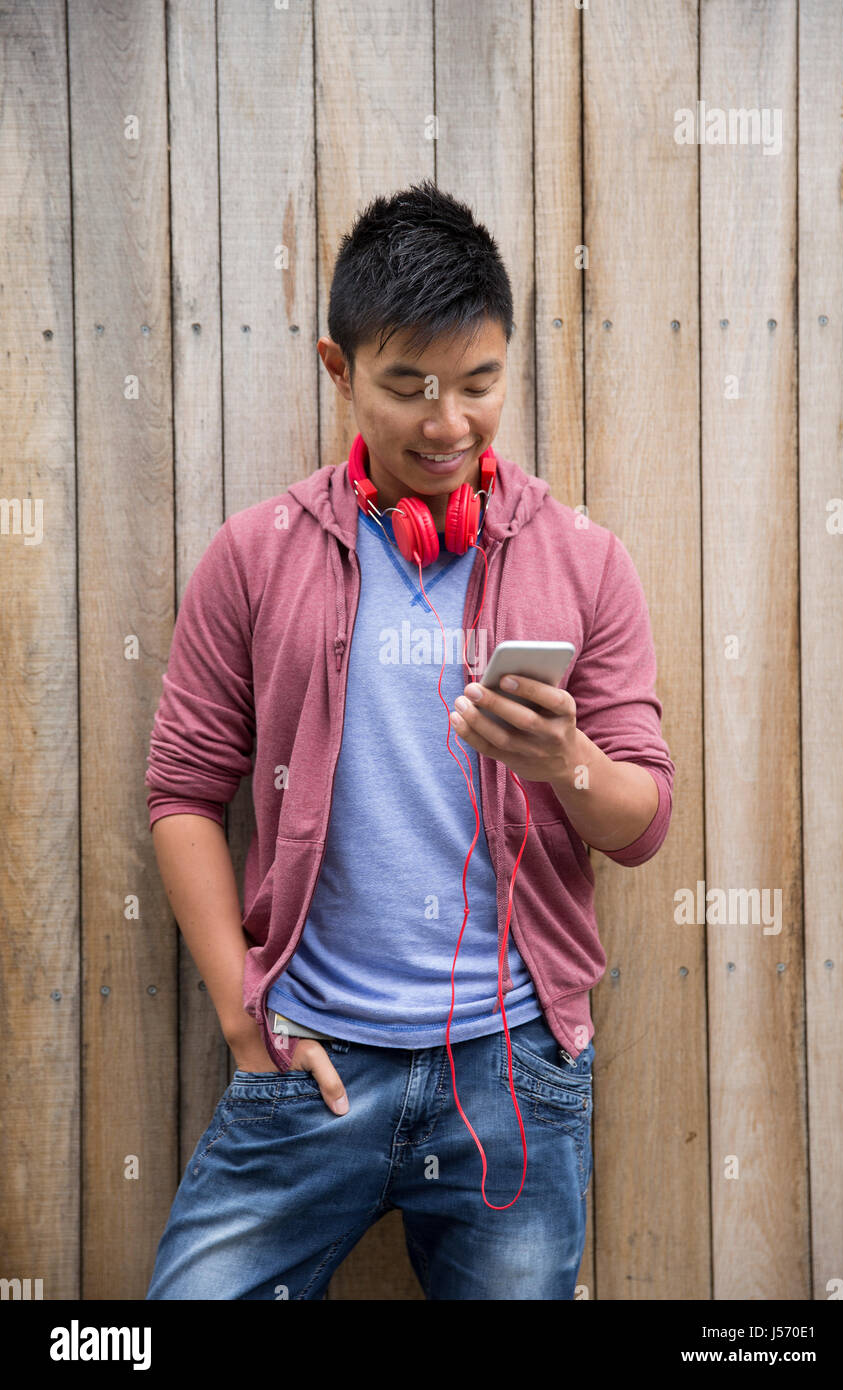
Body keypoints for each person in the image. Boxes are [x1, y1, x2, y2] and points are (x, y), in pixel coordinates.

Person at [144, 179, 674, 1301]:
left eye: (479, 385)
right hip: (306, 1066)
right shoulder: (252, 556)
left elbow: (640, 822)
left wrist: (562, 761)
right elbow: (183, 792)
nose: (447, 424)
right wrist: (246, 1020)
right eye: (408, 388)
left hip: (512, 1074)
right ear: (339, 372)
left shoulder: (583, 561)